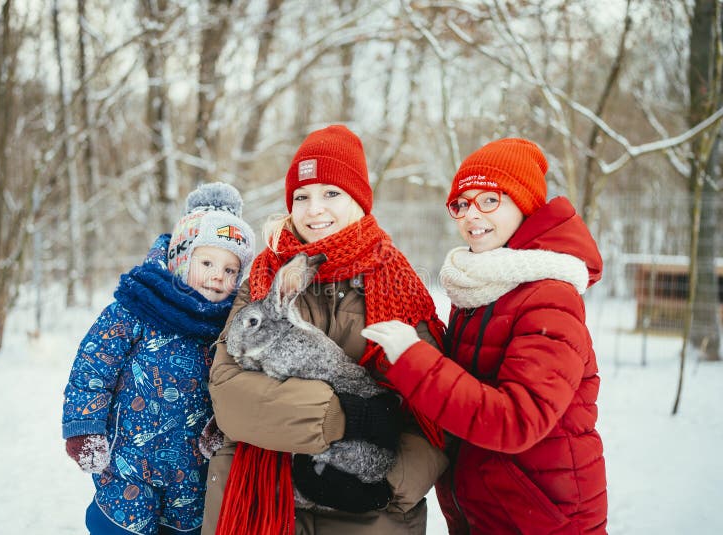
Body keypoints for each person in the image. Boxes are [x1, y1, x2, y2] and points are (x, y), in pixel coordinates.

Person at [202, 124, 449, 535]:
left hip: (367, 510)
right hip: (261, 500)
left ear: (358, 200)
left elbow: (437, 410)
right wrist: (344, 416)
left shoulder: (401, 286)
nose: (314, 209)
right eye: (302, 197)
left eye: (331, 193)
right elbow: (230, 395)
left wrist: (388, 487)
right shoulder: (264, 279)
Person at [362, 138, 608, 534]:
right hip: (490, 512)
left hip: (543, 520)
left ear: (525, 204)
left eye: (489, 200)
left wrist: (413, 359)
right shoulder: (483, 285)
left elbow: (516, 421)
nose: (470, 215)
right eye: (461, 203)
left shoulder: (548, 297)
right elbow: (465, 390)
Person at [61, 182, 255, 535]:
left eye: (230, 270)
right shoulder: (139, 305)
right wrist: (84, 427)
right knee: (120, 526)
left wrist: (222, 428)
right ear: (181, 259)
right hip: (128, 462)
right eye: (208, 262)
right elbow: (94, 365)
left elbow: (234, 385)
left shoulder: (229, 326)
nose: (217, 275)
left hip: (191, 470)